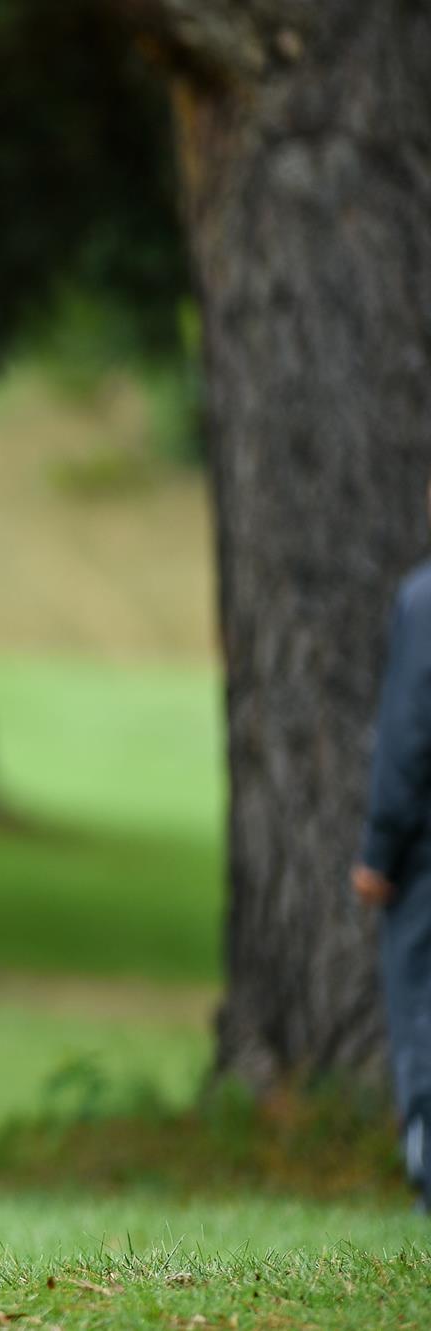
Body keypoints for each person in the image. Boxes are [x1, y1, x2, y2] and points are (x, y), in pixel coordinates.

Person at [354, 484, 431, 1214]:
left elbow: (409, 735)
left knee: (421, 993)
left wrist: (380, 847)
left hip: (424, 849)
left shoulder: (425, 599)